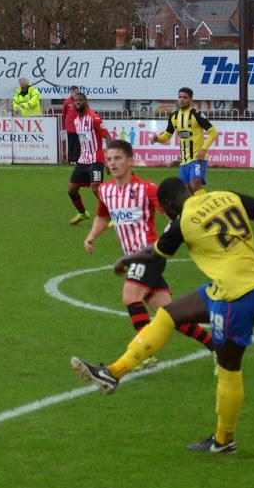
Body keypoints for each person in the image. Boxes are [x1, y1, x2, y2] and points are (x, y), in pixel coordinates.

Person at [70, 179, 254, 454]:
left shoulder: (182, 222)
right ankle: (113, 373)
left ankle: (224, 440)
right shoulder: (226, 195)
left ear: (168, 206)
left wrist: (125, 259)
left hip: (235, 298)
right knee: (168, 315)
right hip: (245, 285)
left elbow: (153, 254)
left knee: (229, 371)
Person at [84, 139, 215, 357]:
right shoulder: (105, 191)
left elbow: (176, 215)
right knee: (169, 313)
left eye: (118, 158)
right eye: (109, 159)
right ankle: (215, 347)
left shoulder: (147, 188)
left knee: (130, 296)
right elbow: (103, 215)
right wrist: (91, 236)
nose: (113, 163)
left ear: (130, 160)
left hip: (149, 254)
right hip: (132, 256)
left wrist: (168, 238)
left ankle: (143, 354)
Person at [155, 87, 217, 193]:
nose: (182, 100)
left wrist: (203, 149)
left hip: (197, 158)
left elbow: (213, 132)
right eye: (180, 97)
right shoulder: (174, 117)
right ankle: (193, 208)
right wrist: (157, 139)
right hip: (184, 161)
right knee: (186, 190)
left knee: (195, 184)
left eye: (185, 97)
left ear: (191, 100)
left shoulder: (196, 114)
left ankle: (205, 207)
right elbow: (167, 136)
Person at [65, 91, 109, 226]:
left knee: (96, 189)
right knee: (71, 190)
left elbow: (108, 137)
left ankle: (112, 215)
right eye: (76, 101)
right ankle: (83, 213)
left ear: (86, 102)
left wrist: (110, 159)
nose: (78, 102)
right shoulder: (76, 120)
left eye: (80, 100)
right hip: (83, 160)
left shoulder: (94, 118)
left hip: (96, 159)